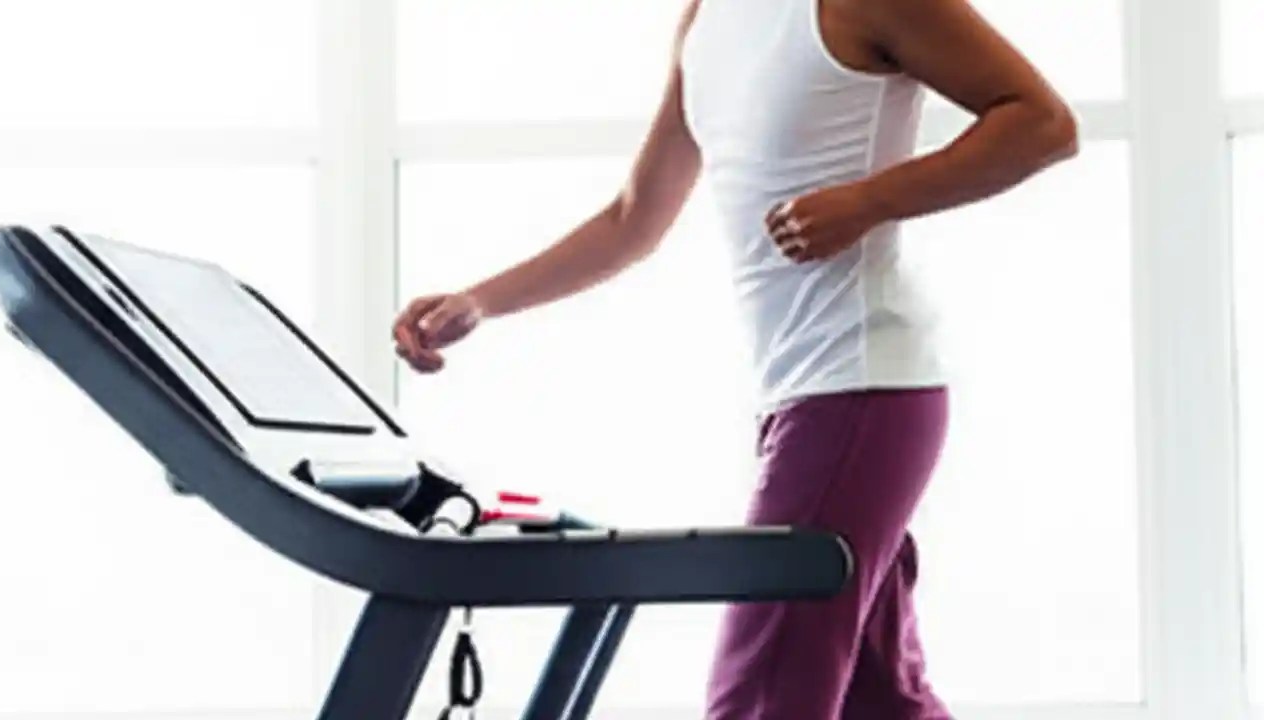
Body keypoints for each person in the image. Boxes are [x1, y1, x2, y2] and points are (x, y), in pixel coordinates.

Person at [393, 0, 1078, 716]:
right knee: (876, 699)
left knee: (759, 696)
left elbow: (1042, 124)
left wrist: (866, 201)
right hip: (800, 397)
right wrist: (481, 301)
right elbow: (633, 218)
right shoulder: (707, 17)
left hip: (859, 386)